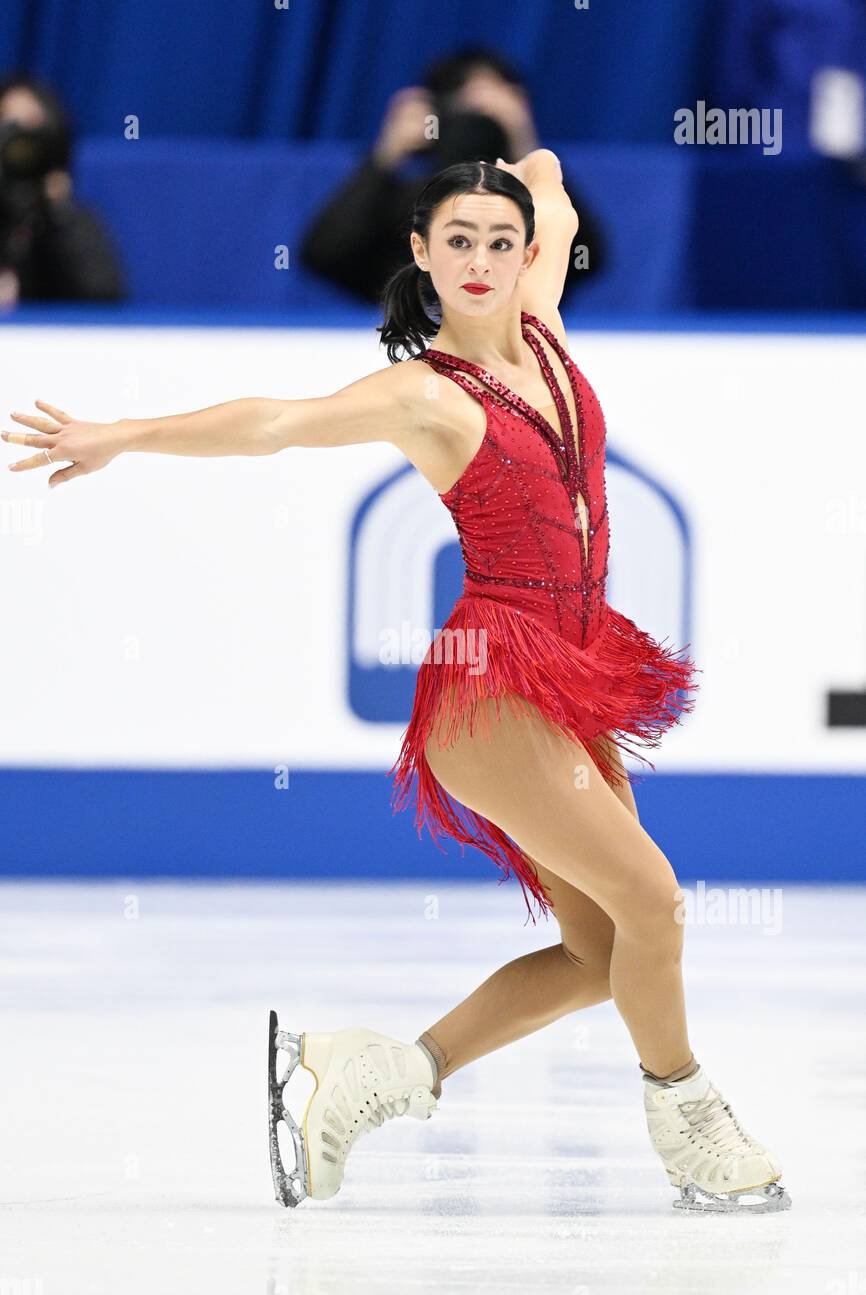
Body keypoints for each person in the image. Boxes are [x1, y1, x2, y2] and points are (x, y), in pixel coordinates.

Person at [1, 150, 790, 1217]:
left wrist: (530, 174)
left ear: (524, 259)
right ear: (418, 254)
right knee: (652, 900)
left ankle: (365, 1077)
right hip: (491, 688)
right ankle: (686, 1118)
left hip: (566, 674)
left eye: (497, 243)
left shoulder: (547, 334)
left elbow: (549, 188)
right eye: (454, 241)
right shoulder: (421, 393)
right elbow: (271, 423)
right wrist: (126, 436)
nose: (478, 261)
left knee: (603, 949)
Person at [300, 45, 606, 306]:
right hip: (410, 342)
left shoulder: (532, 200)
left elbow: (587, 256)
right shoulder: (408, 201)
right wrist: (385, 156)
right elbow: (325, 255)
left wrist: (528, 147)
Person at [0, 73, 125, 306]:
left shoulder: (64, 216)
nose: (20, 144)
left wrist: (57, 211)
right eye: (9, 125)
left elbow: (103, 294)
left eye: (30, 126)